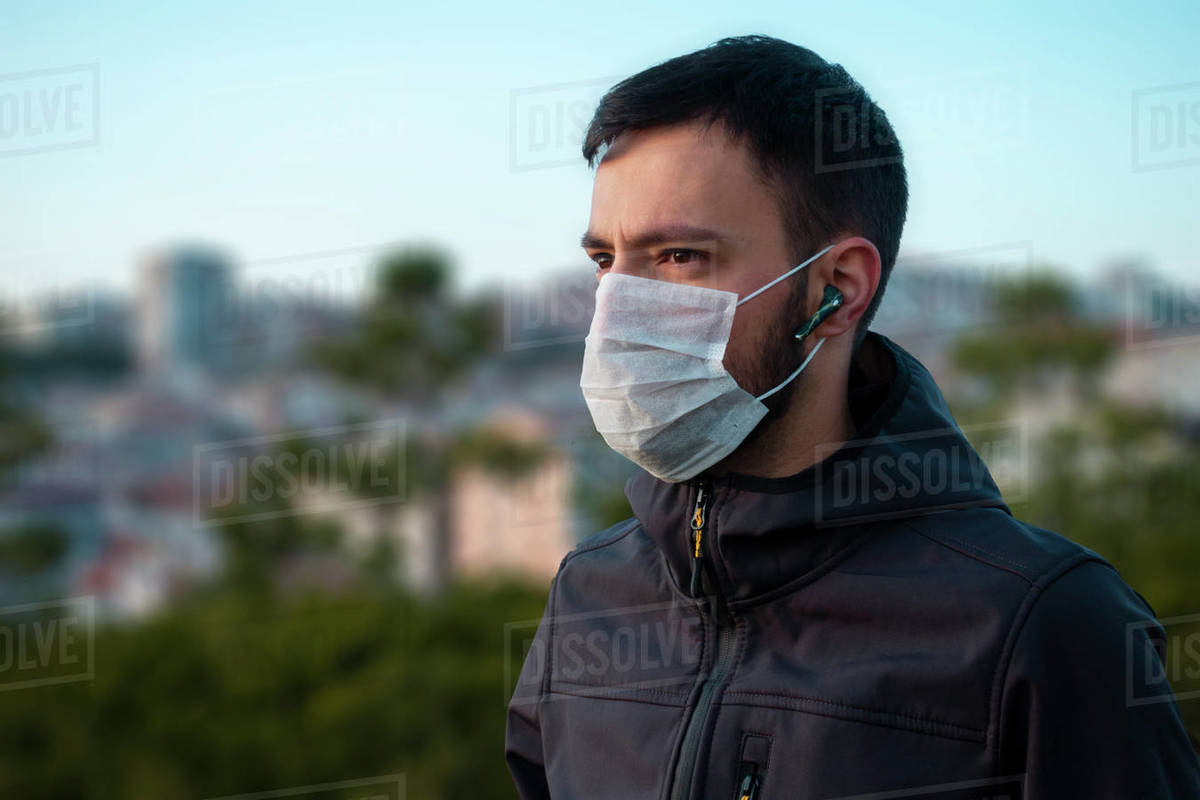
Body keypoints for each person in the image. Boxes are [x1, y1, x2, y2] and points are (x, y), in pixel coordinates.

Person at [505, 35, 1200, 799]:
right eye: (606, 260)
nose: (617, 311)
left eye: (679, 257)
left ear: (837, 288)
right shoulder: (588, 597)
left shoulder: (1042, 623)